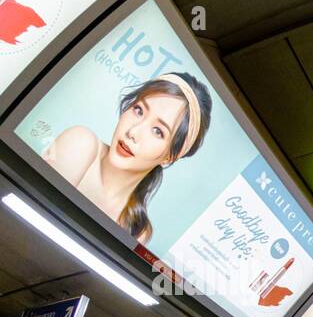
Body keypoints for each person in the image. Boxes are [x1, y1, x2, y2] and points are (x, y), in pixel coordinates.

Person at [43, 73, 214, 244]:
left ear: (170, 156)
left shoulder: (138, 229)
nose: (133, 132)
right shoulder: (80, 143)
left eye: (158, 131)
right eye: (138, 110)